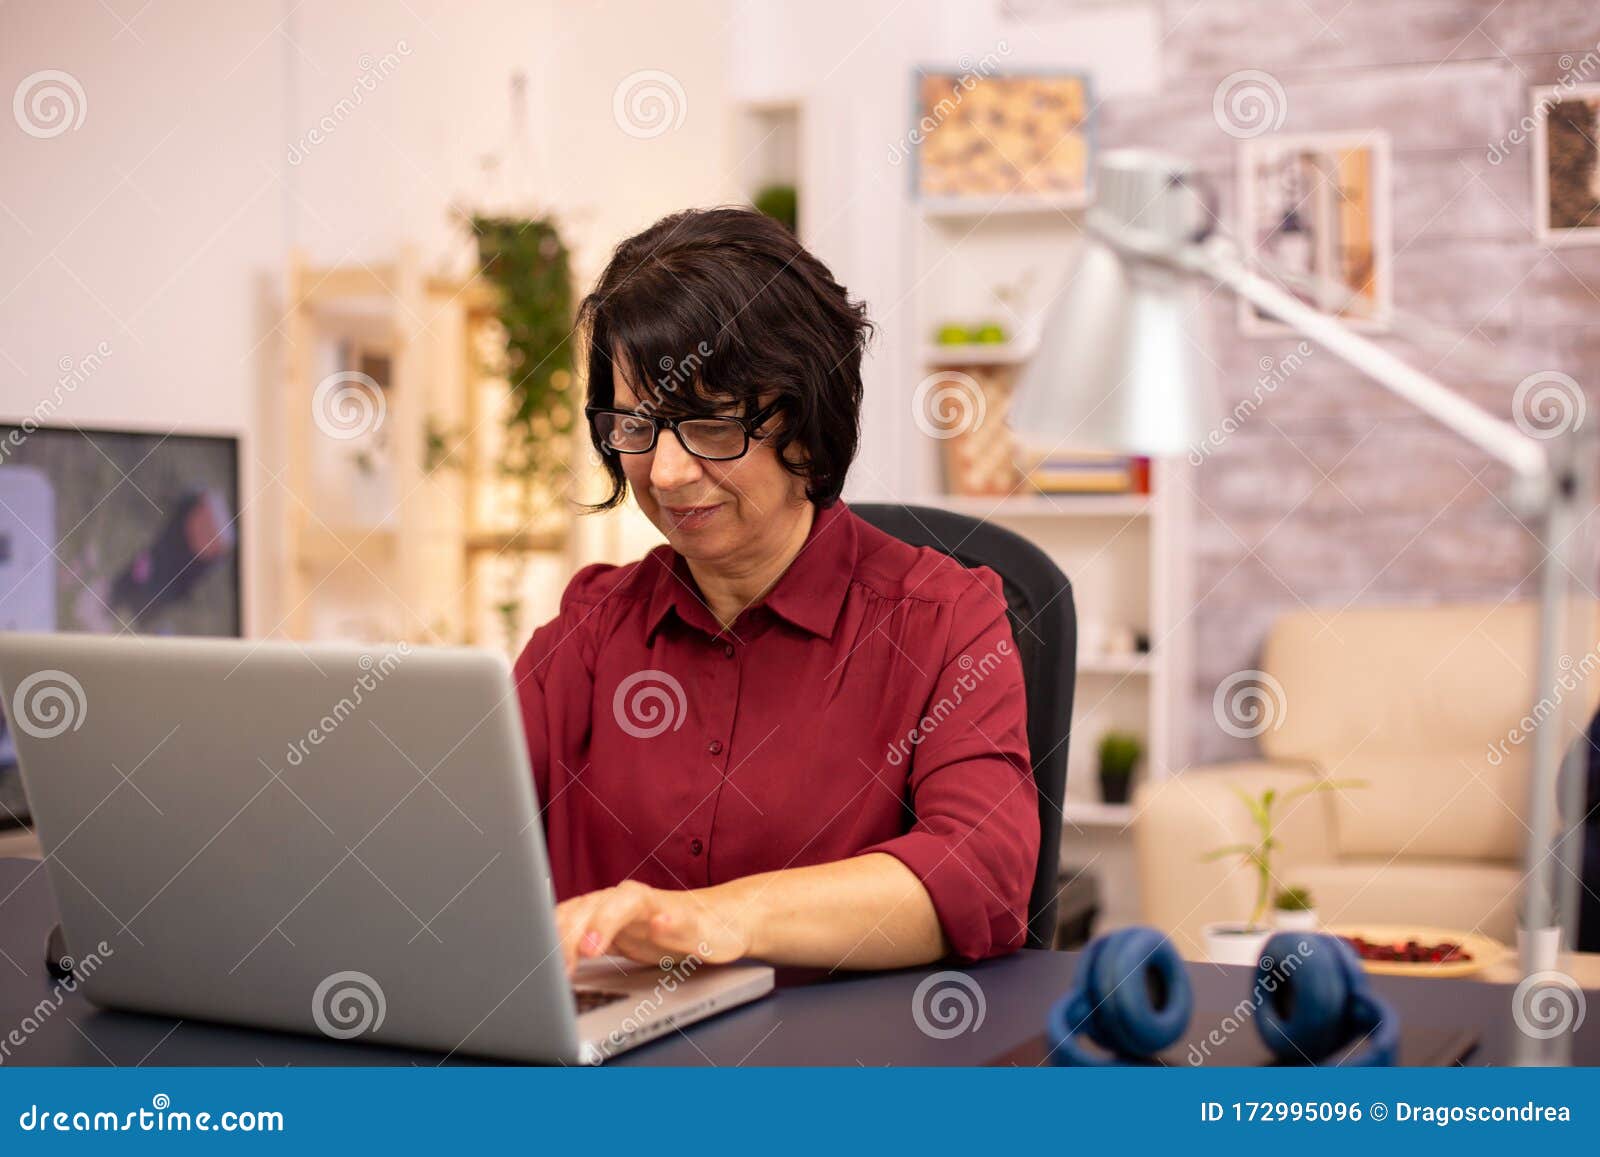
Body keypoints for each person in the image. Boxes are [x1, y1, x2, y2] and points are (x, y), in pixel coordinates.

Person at [513, 207, 1038, 976]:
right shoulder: (590, 630)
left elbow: (983, 873)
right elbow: (452, 830)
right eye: (635, 427)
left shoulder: (944, 620)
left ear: (806, 417)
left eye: (712, 426)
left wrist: (717, 915)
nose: (664, 474)